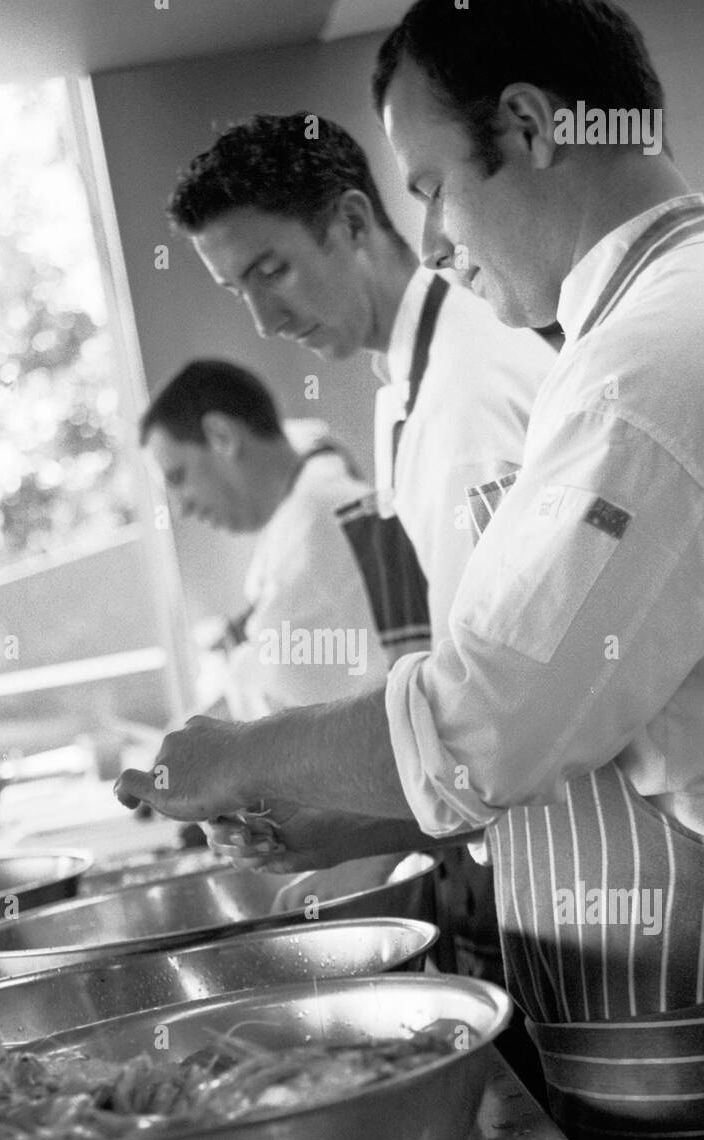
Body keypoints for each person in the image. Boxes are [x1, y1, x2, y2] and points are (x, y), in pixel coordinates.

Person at [118, 0, 704, 1140]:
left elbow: (503, 701)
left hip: (680, 906)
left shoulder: (643, 360)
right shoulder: (644, 322)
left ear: (526, 126)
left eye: (431, 189)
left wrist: (241, 760)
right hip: (620, 883)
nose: (440, 237)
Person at [169, 112, 556, 983]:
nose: (265, 320)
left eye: (271, 271)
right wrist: (358, 818)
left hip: (595, 867)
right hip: (526, 847)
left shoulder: (470, 382)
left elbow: (509, 701)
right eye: (238, 291)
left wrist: (259, 758)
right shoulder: (406, 388)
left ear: (350, 222)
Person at [141, 359, 389, 719]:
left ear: (222, 437)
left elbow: (279, 709)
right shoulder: (310, 498)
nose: (183, 509)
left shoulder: (317, 527)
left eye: (178, 477)